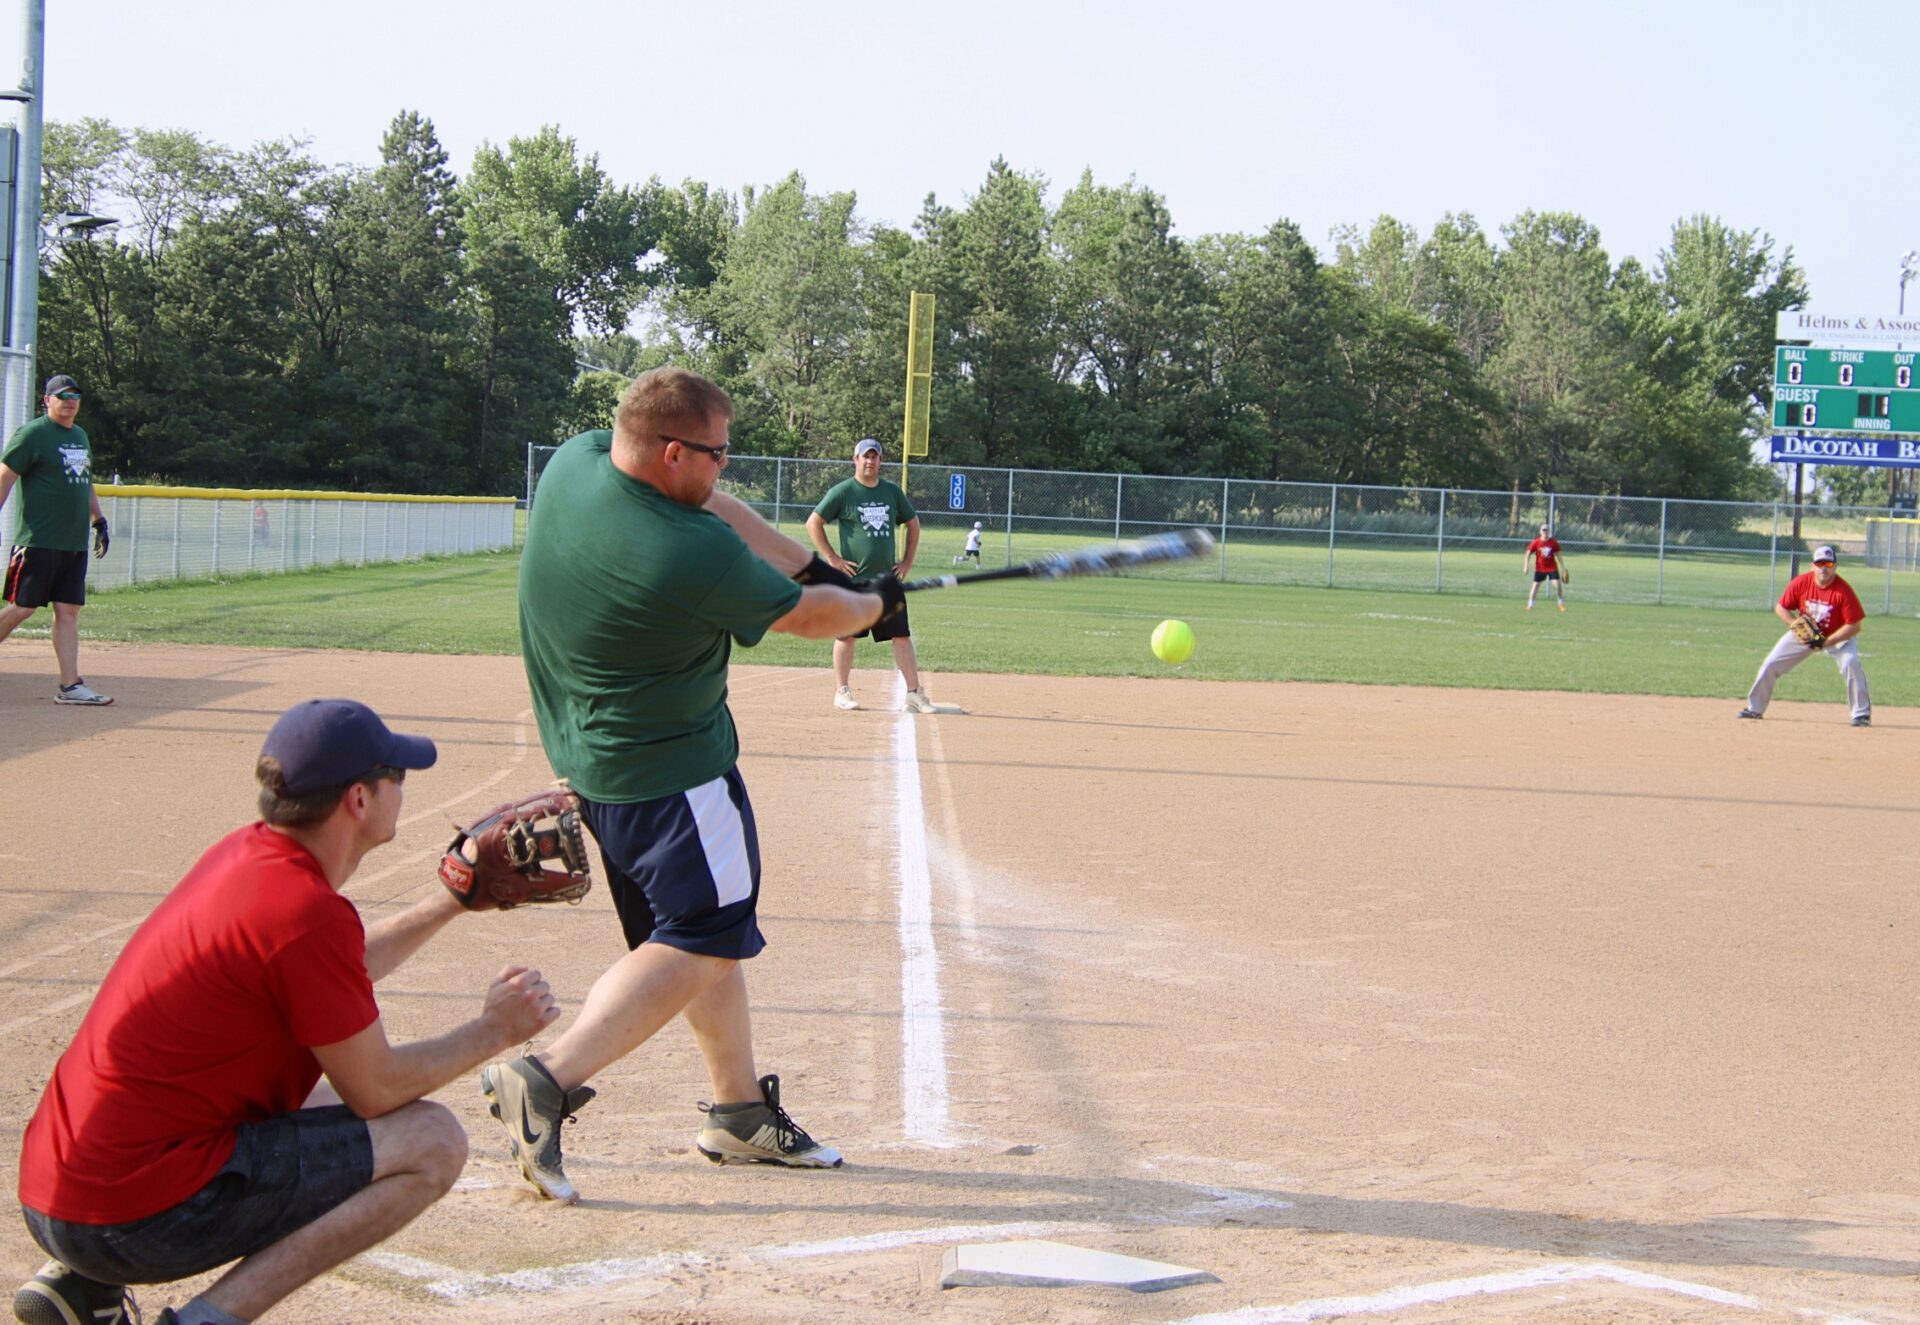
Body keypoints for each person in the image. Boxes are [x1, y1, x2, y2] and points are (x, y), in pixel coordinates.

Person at [493, 366, 902, 1203]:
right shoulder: (685, 553)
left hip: (595, 763)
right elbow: (810, 620)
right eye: (716, 452)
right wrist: (871, 606)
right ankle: (547, 1077)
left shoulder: (576, 463)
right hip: (673, 775)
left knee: (687, 933)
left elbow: (722, 510)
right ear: (672, 451)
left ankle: (737, 1109)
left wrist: (814, 567)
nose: (725, 466)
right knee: (709, 934)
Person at [13, 699, 559, 1325]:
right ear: (358, 799)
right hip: (121, 1221)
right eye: (396, 776)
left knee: (310, 1100)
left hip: (59, 1190)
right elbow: (376, 1089)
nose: (403, 788)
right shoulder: (303, 914)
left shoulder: (246, 856)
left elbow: (329, 969)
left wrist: (450, 903)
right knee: (431, 1142)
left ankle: (83, 1290)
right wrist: (493, 1031)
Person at [0, 374, 114, 704]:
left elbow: (85, 481)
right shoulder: (33, 434)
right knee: (21, 608)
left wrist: (98, 520)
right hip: (38, 539)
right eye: (62, 395)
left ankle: (70, 686)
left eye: (75, 395)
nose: (69, 401)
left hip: (73, 542)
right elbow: (5, 477)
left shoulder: (80, 435)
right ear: (47, 400)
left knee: (68, 611)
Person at [806, 437, 935, 713]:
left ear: (880, 461)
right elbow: (814, 522)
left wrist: (907, 561)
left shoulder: (891, 492)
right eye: (865, 456)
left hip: (886, 581)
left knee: (901, 635)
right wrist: (833, 559)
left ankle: (913, 693)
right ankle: (842, 691)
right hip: (854, 581)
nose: (870, 461)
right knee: (846, 636)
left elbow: (913, 523)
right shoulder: (843, 492)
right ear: (856, 459)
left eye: (875, 456)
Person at [1737, 545, 1871, 726]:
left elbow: (1854, 626)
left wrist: (1827, 642)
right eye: (1820, 563)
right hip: (1806, 634)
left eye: (1828, 564)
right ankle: (1755, 708)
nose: (1824, 568)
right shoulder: (1801, 582)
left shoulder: (1843, 590)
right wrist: (1795, 624)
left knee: (1850, 663)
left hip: (1837, 636)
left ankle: (1861, 714)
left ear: (1835, 566)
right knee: (1771, 663)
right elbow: (1781, 608)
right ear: (1812, 566)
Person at [1523, 523, 1568, 612]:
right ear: (1540, 531)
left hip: (1552, 568)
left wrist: (1563, 567)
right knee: (1535, 586)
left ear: (1549, 532)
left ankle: (1561, 604)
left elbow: (1559, 555)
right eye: (1543, 530)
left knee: (1558, 585)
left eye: (1546, 530)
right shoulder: (1536, 542)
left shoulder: (1553, 542)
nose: (1545, 532)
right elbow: (1528, 553)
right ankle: (1530, 605)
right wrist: (1526, 566)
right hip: (1540, 568)